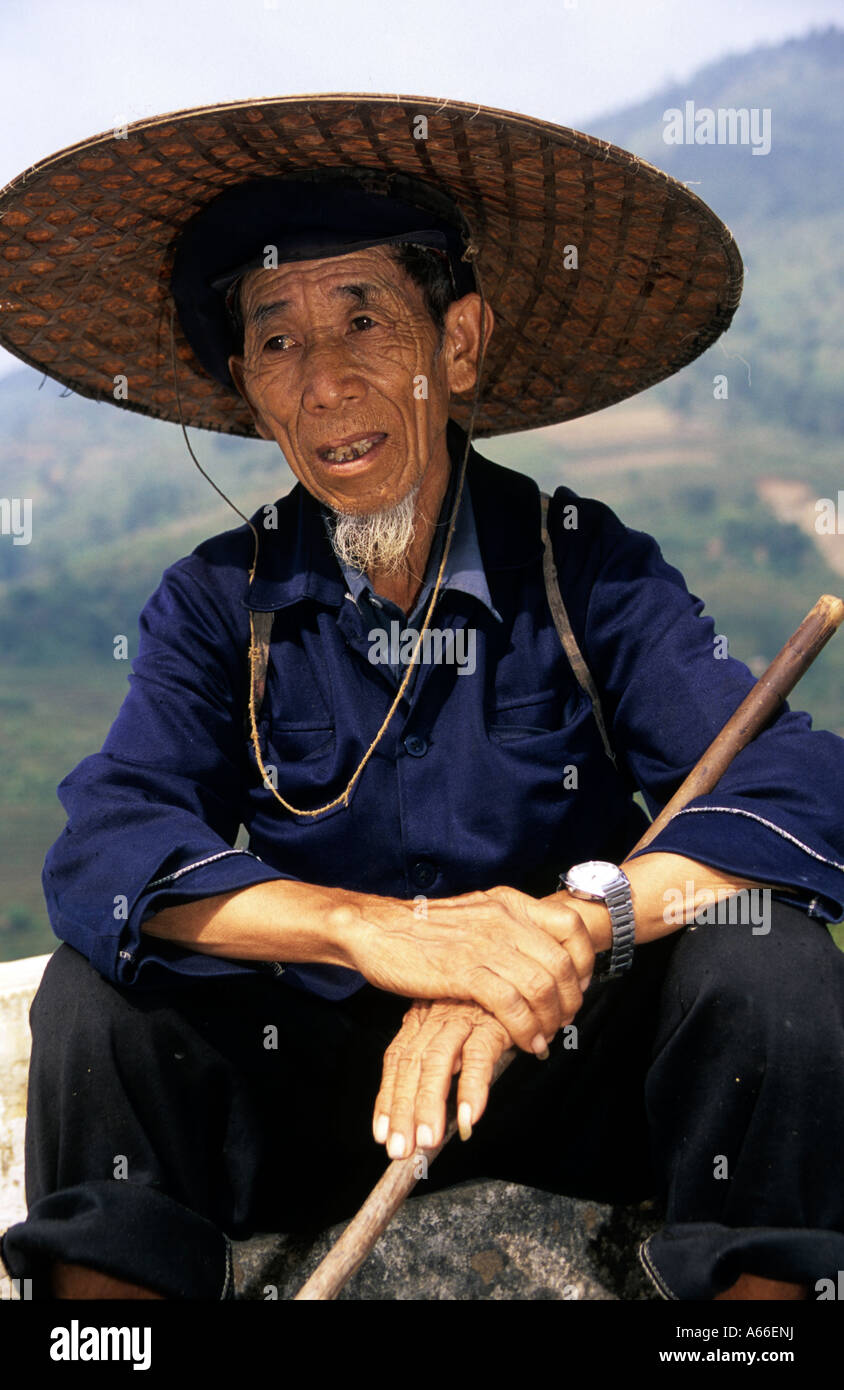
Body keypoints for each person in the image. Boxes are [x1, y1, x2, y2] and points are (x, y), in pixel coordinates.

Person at [1, 95, 843, 1303]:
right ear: (248, 386)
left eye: (364, 320)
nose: (328, 381)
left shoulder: (581, 565)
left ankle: (757, 1324)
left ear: (455, 346)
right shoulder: (213, 605)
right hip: (327, 1094)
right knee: (98, 992)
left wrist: (563, 933)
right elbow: (109, 847)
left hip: (564, 1066)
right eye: (278, 339)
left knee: (770, 962)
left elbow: (800, 785)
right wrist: (376, 933)